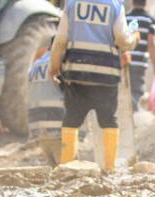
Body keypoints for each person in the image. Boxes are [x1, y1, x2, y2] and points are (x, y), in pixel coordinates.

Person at [47, 0, 137, 173]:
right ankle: (109, 168)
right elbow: (122, 40)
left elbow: (60, 41)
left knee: (72, 119)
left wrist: (54, 66)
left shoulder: (72, 5)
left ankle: (66, 167)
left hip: (76, 74)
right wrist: (133, 37)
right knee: (108, 119)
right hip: (105, 76)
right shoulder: (114, 6)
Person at [27, 46, 64, 165]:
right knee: (66, 165)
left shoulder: (34, 66)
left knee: (51, 165)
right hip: (56, 121)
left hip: (36, 124)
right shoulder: (56, 64)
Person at [126, 0, 155, 109]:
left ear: (132, 2)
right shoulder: (149, 20)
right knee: (136, 93)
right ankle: (135, 119)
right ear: (145, 3)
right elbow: (151, 44)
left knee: (124, 92)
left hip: (125, 61)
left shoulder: (125, 18)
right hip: (139, 63)